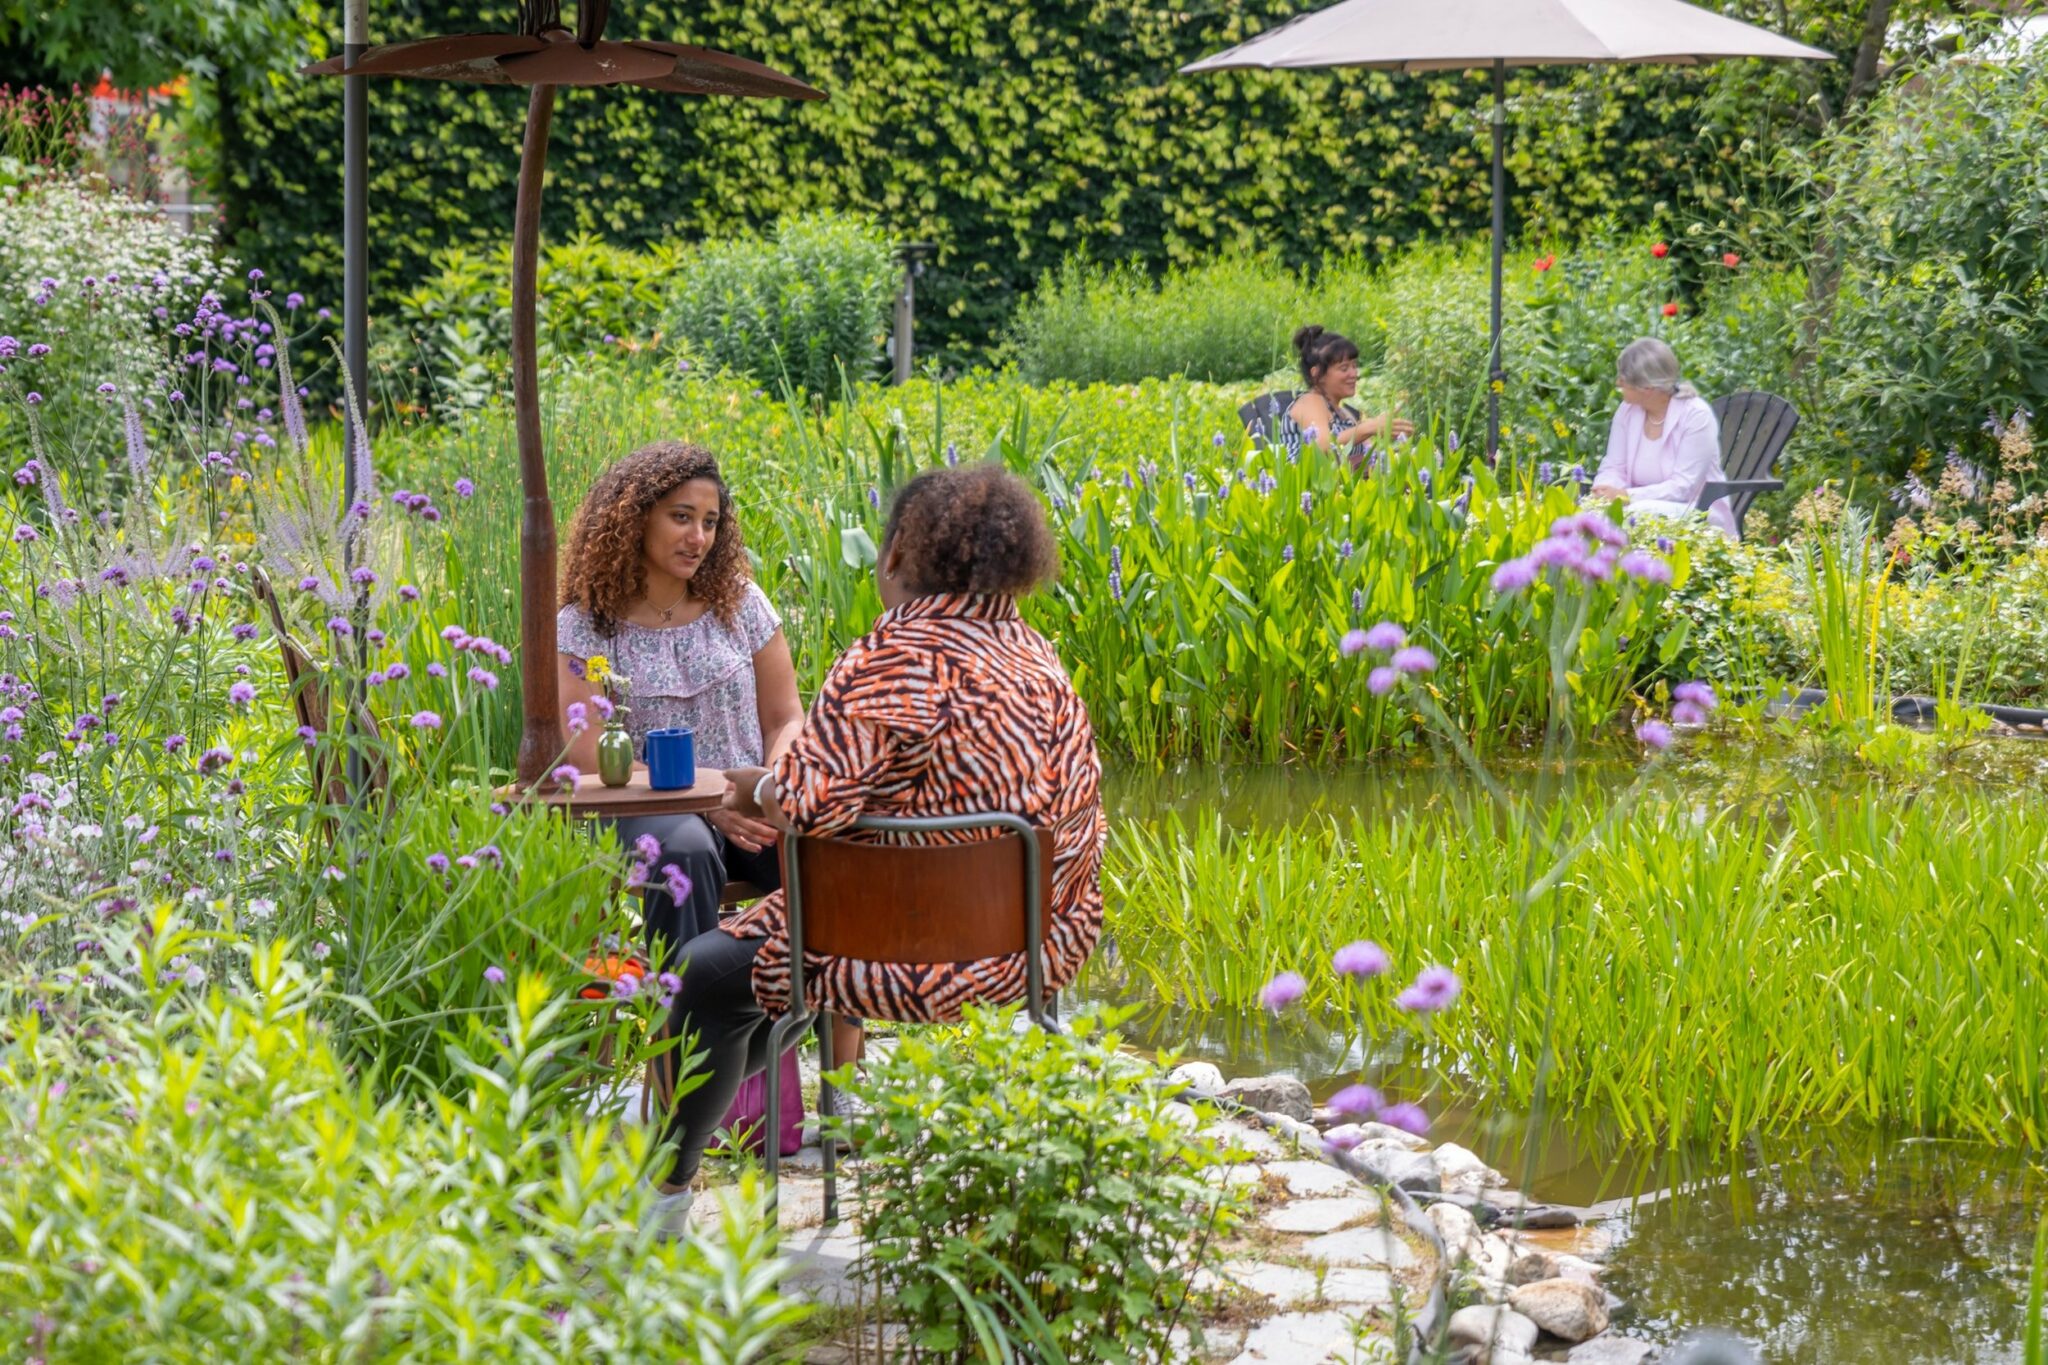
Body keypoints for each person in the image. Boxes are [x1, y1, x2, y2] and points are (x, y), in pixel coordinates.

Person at [645, 463, 1106, 1230]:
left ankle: (660, 1202)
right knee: (750, 981)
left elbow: (804, 802)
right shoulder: (1039, 661)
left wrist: (747, 788)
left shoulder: (892, 659)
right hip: (1030, 951)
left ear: (894, 555)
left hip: (890, 957)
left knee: (701, 978)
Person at [556, 440, 805, 970]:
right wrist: (707, 797)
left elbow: (786, 717)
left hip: (748, 807)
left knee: (821, 846)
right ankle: (684, 1037)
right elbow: (589, 757)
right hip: (644, 810)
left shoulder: (740, 603)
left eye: (711, 522)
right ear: (635, 519)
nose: (699, 538)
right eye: (682, 517)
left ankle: (813, 1029)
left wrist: (774, 785)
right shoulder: (586, 625)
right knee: (685, 850)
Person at [1591, 337, 1738, 538]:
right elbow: (1613, 466)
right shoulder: (1627, 411)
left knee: (1637, 512)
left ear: (1647, 387)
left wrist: (1627, 496)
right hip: (1637, 507)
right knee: (1590, 512)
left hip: (1696, 512)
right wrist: (1604, 490)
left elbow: (1684, 487)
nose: (1618, 383)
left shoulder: (1696, 416)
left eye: (1623, 380)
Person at [1283, 325, 1412, 465]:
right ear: (1317, 374)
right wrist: (1370, 427)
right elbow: (1322, 447)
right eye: (1344, 368)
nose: (1353, 374)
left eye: (1354, 366)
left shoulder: (1346, 415)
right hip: (1308, 485)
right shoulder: (1310, 402)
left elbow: (1368, 457)